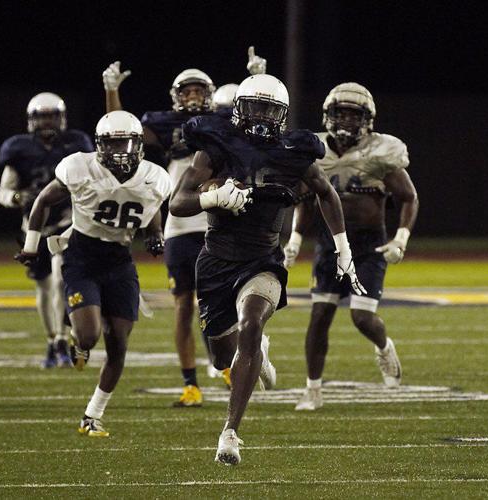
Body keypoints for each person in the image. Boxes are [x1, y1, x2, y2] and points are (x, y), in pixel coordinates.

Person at [169, 74, 364, 465]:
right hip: (217, 262)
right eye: (253, 107)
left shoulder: (293, 150)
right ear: (239, 109)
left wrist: (344, 248)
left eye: (268, 110)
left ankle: (230, 432)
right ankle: (259, 355)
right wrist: (215, 198)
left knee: (252, 321)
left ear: (282, 116)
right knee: (223, 357)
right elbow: (177, 203)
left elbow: (326, 193)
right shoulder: (215, 147)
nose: (259, 117)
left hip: (263, 260)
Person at [101, 47, 268, 407]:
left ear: (209, 94)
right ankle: (191, 383)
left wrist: (255, 79)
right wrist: (111, 91)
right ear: (176, 97)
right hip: (179, 222)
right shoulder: (164, 123)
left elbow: (259, 116)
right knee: (183, 306)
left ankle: (226, 364)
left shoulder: (225, 120)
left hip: (219, 222)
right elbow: (121, 131)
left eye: (198, 91)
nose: (193, 97)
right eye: (186, 91)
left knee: (225, 300)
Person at [15, 110, 171, 437]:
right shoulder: (80, 167)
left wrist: (156, 234)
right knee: (88, 335)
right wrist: (32, 246)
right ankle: (76, 338)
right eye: (113, 144)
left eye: (126, 143)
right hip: (82, 257)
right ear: (100, 145)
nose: (120, 151)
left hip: (120, 262)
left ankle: (92, 415)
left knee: (119, 345)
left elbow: (151, 204)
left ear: (139, 145)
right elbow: (43, 201)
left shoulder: (154, 177)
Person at [283, 83, 419, 411]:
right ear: (328, 115)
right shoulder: (315, 150)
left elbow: (409, 197)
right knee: (320, 315)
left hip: (369, 245)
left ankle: (384, 347)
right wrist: (295, 239)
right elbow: (305, 200)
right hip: (329, 244)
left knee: (361, 318)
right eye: (339, 113)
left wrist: (400, 238)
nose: (345, 120)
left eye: (352, 114)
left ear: (367, 119)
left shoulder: (381, 151)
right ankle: (312, 389)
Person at [0, 92, 93, 368]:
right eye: (43, 116)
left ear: (61, 118)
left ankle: (64, 337)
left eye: (52, 115)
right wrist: (16, 199)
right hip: (34, 227)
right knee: (44, 285)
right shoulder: (19, 149)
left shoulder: (76, 144)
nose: (48, 122)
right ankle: (53, 340)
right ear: (32, 120)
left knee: (61, 280)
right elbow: (5, 190)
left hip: (66, 222)